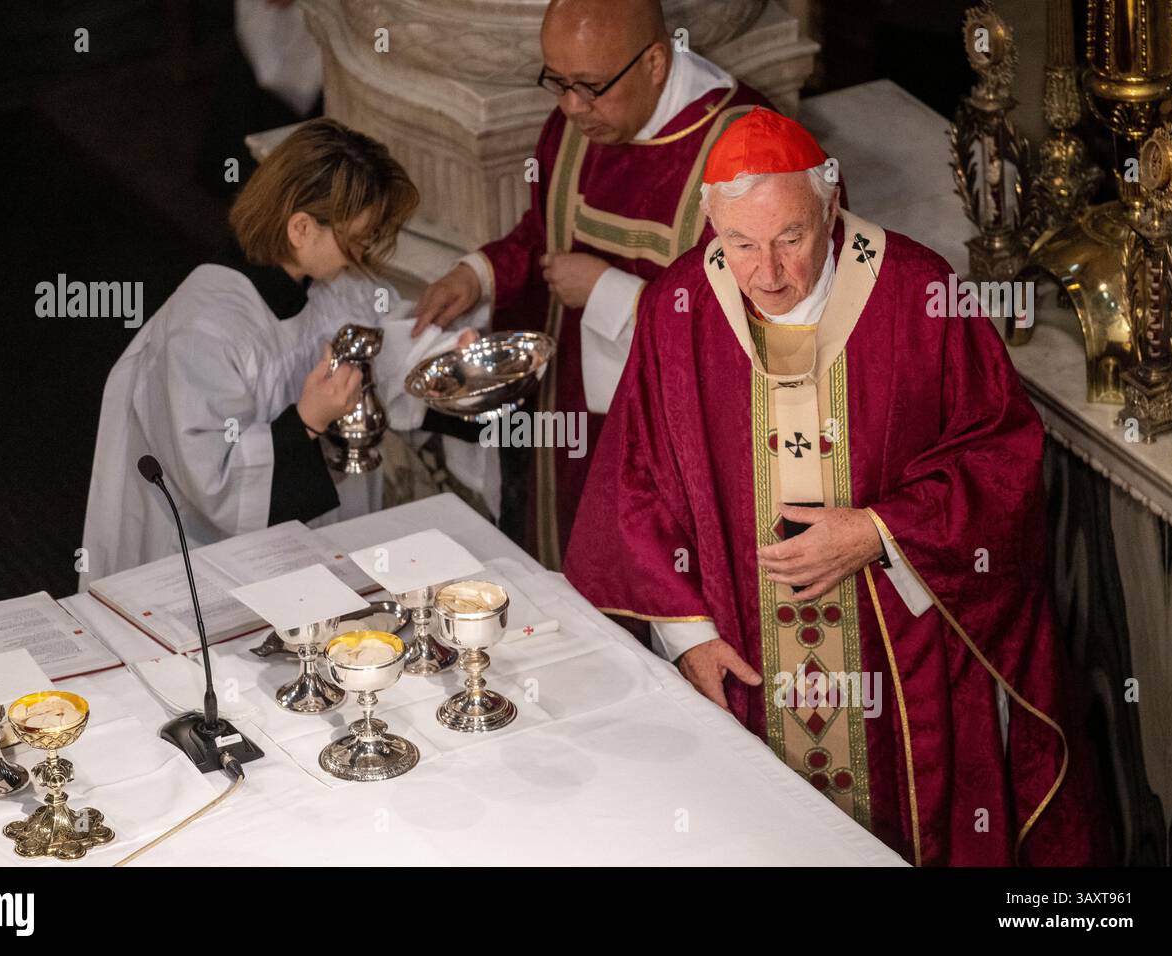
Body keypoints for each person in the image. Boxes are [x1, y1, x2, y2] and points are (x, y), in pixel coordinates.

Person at [563, 109, 1105, 865]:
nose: (769, 273)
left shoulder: (919, 295)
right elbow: (636, 478)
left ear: (831, 207)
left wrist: (881, 533)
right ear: (713, 226)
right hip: (746, 660)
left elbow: (1000, 457)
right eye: (742, 244)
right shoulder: (679, 308)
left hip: (902, 664)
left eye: (790, 238)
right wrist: (688, 639)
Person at [411, 0, 772, 569]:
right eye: (557, 83)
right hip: (575, 424)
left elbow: (767, 319)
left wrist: (609, 293)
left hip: (688, 439)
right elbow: (543, 233)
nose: (572, 108)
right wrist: (478, 274)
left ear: (655, 62)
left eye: (591, 86)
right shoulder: (579, 123)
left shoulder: (749, 154)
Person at [80, 119, 423, 588]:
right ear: (302, 228)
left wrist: (441, 351)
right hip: (204, 570)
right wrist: (306, 419)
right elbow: (213, 484)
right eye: (356, 239)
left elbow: (382, 330)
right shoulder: (204, 332)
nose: (360, 256)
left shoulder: (323, 282)